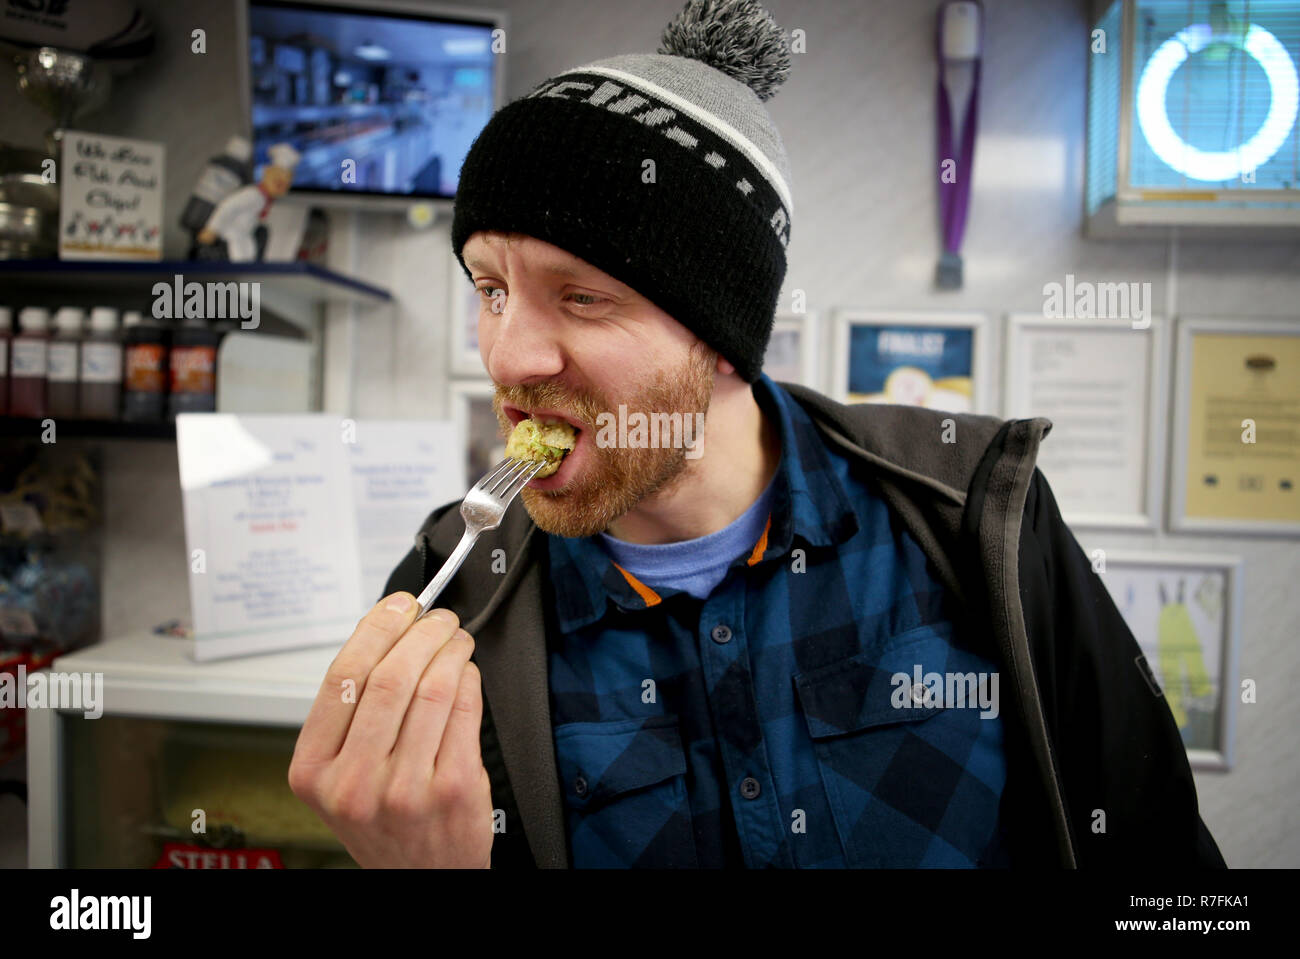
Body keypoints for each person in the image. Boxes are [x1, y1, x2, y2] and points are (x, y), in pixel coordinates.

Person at [288, 0, 1226, 869]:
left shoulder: (970, 515)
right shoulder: (458, 589)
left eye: (582, 295)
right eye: (490, 289)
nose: (508, 355)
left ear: (726, 339)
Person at [196, 141, 299, 261]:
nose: (281, 185)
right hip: (230, 235)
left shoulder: (264, 200)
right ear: (267, 173)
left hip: (243, 235)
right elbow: (228, 207)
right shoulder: (252, 194)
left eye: (285, 183)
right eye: (277, 179)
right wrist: (212, 229)